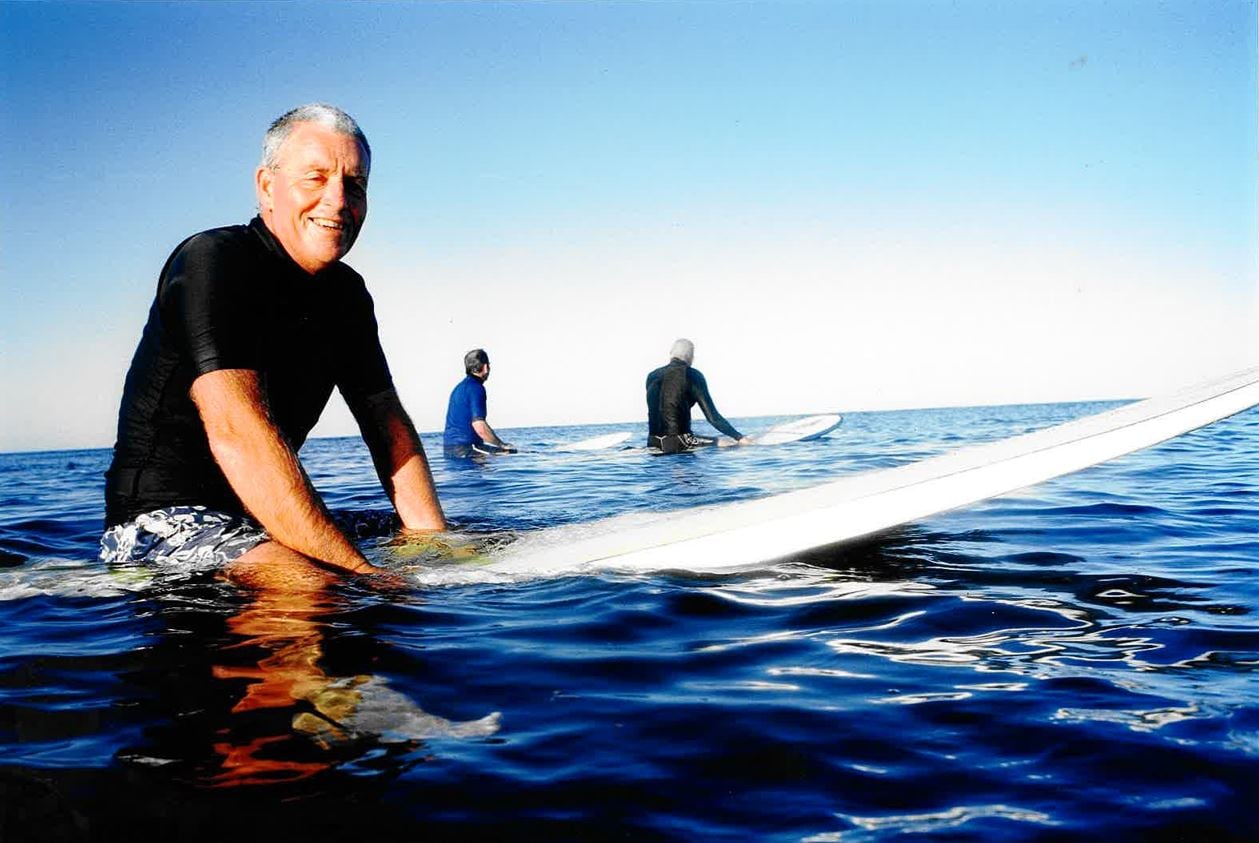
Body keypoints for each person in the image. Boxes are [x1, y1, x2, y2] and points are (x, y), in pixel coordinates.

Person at [100, 103, 446, 591]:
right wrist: (364, 576)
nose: (338, 201)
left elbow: (386, 424)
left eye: (355, 185)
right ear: (266, 186)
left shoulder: (347, 295)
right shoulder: (214, 261)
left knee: (461, 538)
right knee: (322, 588)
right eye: (316, 178)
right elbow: (237, 432)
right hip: (158, 523)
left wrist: (438, 542)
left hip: (255, 518)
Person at [645, 338, 750, 453]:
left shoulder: (652, 376)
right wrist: (739, 437)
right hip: (680, 442)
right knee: (724, 443)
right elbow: (713, 418)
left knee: (687, 438)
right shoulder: (693, 375)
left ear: (671, 353)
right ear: (691, 357)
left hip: (652, 442)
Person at [443, 348, 515, 457]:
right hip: (467, 448)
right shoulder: (476, 388)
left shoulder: (459, 388)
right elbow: (479, 426)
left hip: (450, 450)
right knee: (512, 454)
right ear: (485, 367)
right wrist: (501, 445)